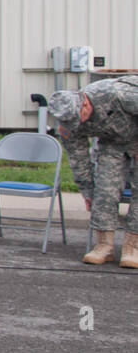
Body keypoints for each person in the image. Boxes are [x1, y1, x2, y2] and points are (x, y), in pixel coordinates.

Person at [48, 79, 138, 268]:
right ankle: (104, 246)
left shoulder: (117, 93)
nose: (78, 122)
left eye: (80, 116)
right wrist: (88, 192)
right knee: (104, 192)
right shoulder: (69, 122)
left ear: (86, 102)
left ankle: (133, 247)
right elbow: (78, 159)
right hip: (112, 143)